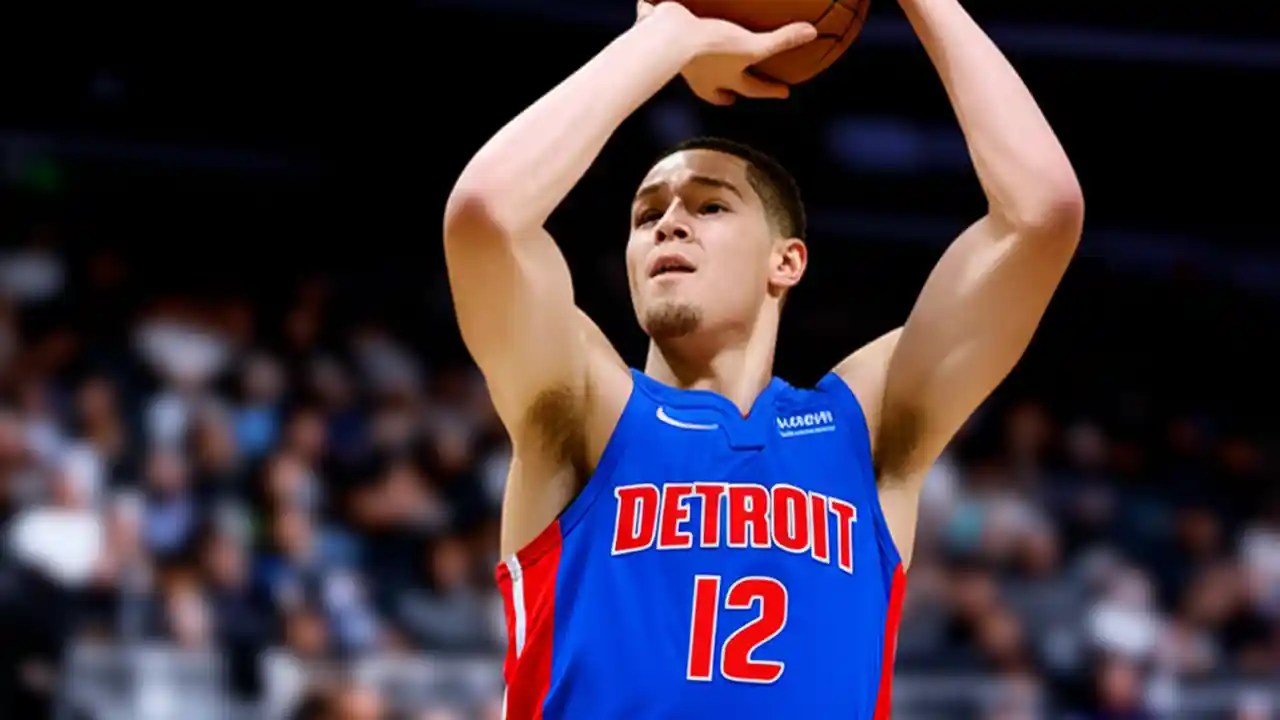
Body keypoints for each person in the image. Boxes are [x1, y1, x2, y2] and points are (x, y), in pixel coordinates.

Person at [442, 0, 1083, 717]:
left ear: (787, 261)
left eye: (710, 206)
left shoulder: (861, 429)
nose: (671, 221)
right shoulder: (585, 408)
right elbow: (486, 216)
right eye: (647, 215)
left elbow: (1043, 213)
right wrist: (663, 36)